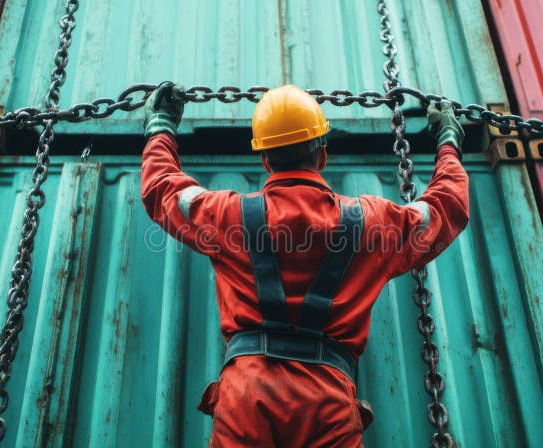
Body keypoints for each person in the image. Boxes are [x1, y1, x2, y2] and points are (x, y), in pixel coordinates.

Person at [141, 82, 469, 447]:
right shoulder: (373, 224)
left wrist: (161, 127)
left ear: (265, 159)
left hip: (248, 397)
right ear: (323, 155)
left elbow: (164, 189)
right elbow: (444, 207)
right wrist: (448, 141)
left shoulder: (227, 217)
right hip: (328, 402)